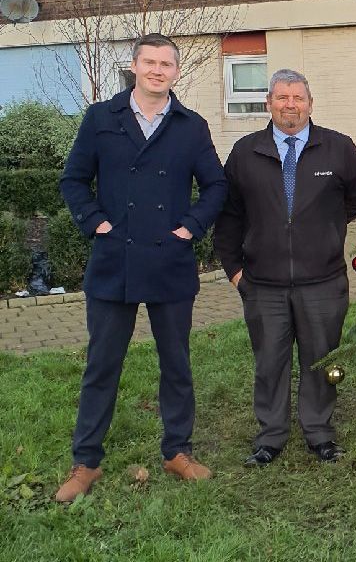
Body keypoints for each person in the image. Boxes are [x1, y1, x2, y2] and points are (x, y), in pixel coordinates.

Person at [56, 33, 227, 503]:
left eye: (166, 63)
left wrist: (191, 226)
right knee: (101, 366)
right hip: (114, 261)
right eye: (149, 62)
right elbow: (73, 180)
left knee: (177, 364)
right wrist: (97, 224)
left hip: (170, 261)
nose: (157, 70)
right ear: (134, 67)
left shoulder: (191, 126)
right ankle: (86, 461)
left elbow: (216, 186)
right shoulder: (101, 118)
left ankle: (177, 451)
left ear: (175, 71)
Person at [214, 69, 356, 466]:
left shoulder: (338, 148)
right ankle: (271, 436)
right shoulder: (245, 153)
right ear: (268, 103)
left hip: (323, 282)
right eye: (281, 97)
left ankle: (319, 432)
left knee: (321, 359)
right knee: (270, 362)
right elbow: (229, 216)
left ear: (310, 103)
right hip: (262, 284)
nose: (290, 105)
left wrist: (325, 230)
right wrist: (235, 271)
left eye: (297, 97)